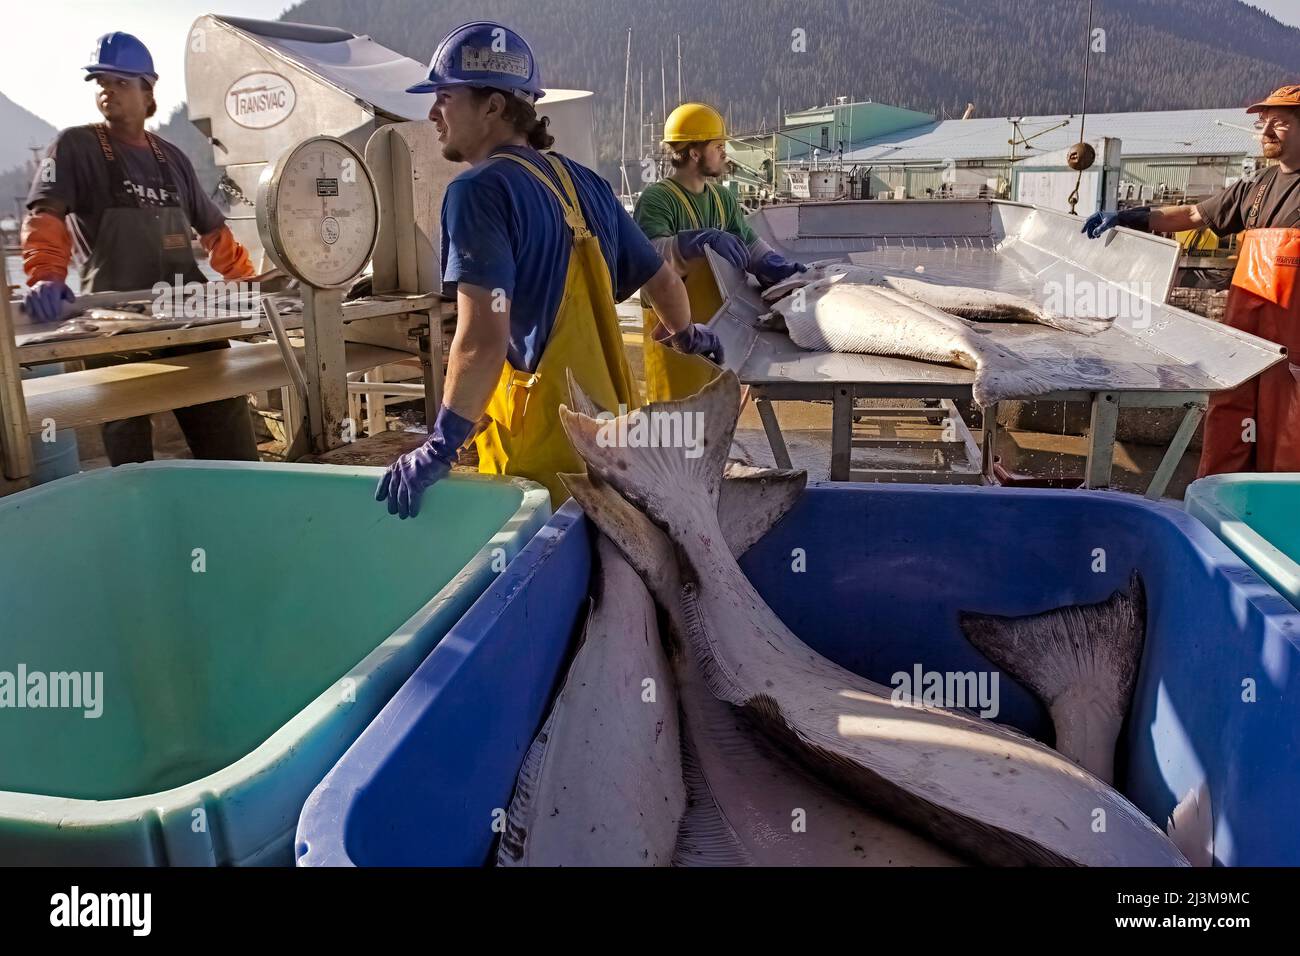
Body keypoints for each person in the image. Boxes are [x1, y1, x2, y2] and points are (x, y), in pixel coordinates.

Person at [375, 21, 700, 516]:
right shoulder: (586, 183)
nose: (432, 114)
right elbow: (664, 281)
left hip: (541, 458)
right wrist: (687, 336)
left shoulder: (478, 191)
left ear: (493, 106)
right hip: (612, 447)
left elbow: (482, 337)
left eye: (444, 96)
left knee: (536, 583)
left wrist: (441, 443)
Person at [22, 31, 260, 464]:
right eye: (101, 83)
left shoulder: (173, 159)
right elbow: (46, 216)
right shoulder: (76, 147)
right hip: (115, 327)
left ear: (148, 90)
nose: (107, 91)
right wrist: (45, 276)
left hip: (188, 318)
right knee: (129, 449)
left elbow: (215, 233)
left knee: (228, 433)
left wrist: (248, 284)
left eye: (120, 82)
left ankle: (235, 504)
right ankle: (142, 515)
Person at [1082, 85, 1300, 477]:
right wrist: (1129, 216)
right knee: (1231, 427)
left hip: (1295, 354)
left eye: (1280, 124)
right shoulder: (1258, 186)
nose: (1266, 132)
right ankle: (1222, 508)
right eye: (1263, 123)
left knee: (1289, 445)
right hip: (1249, 343)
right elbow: (1193, 216)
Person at [633, 102, 805, 401]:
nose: (725, 153)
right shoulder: (657, 199)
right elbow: (649, 259)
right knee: (675, 422)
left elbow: (749, 244)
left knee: (714, 416)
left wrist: (779, 267)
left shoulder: (721, 197)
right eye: (718, 145)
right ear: (694, 152)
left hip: (719, 321)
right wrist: (695, 242)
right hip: (672, 328)